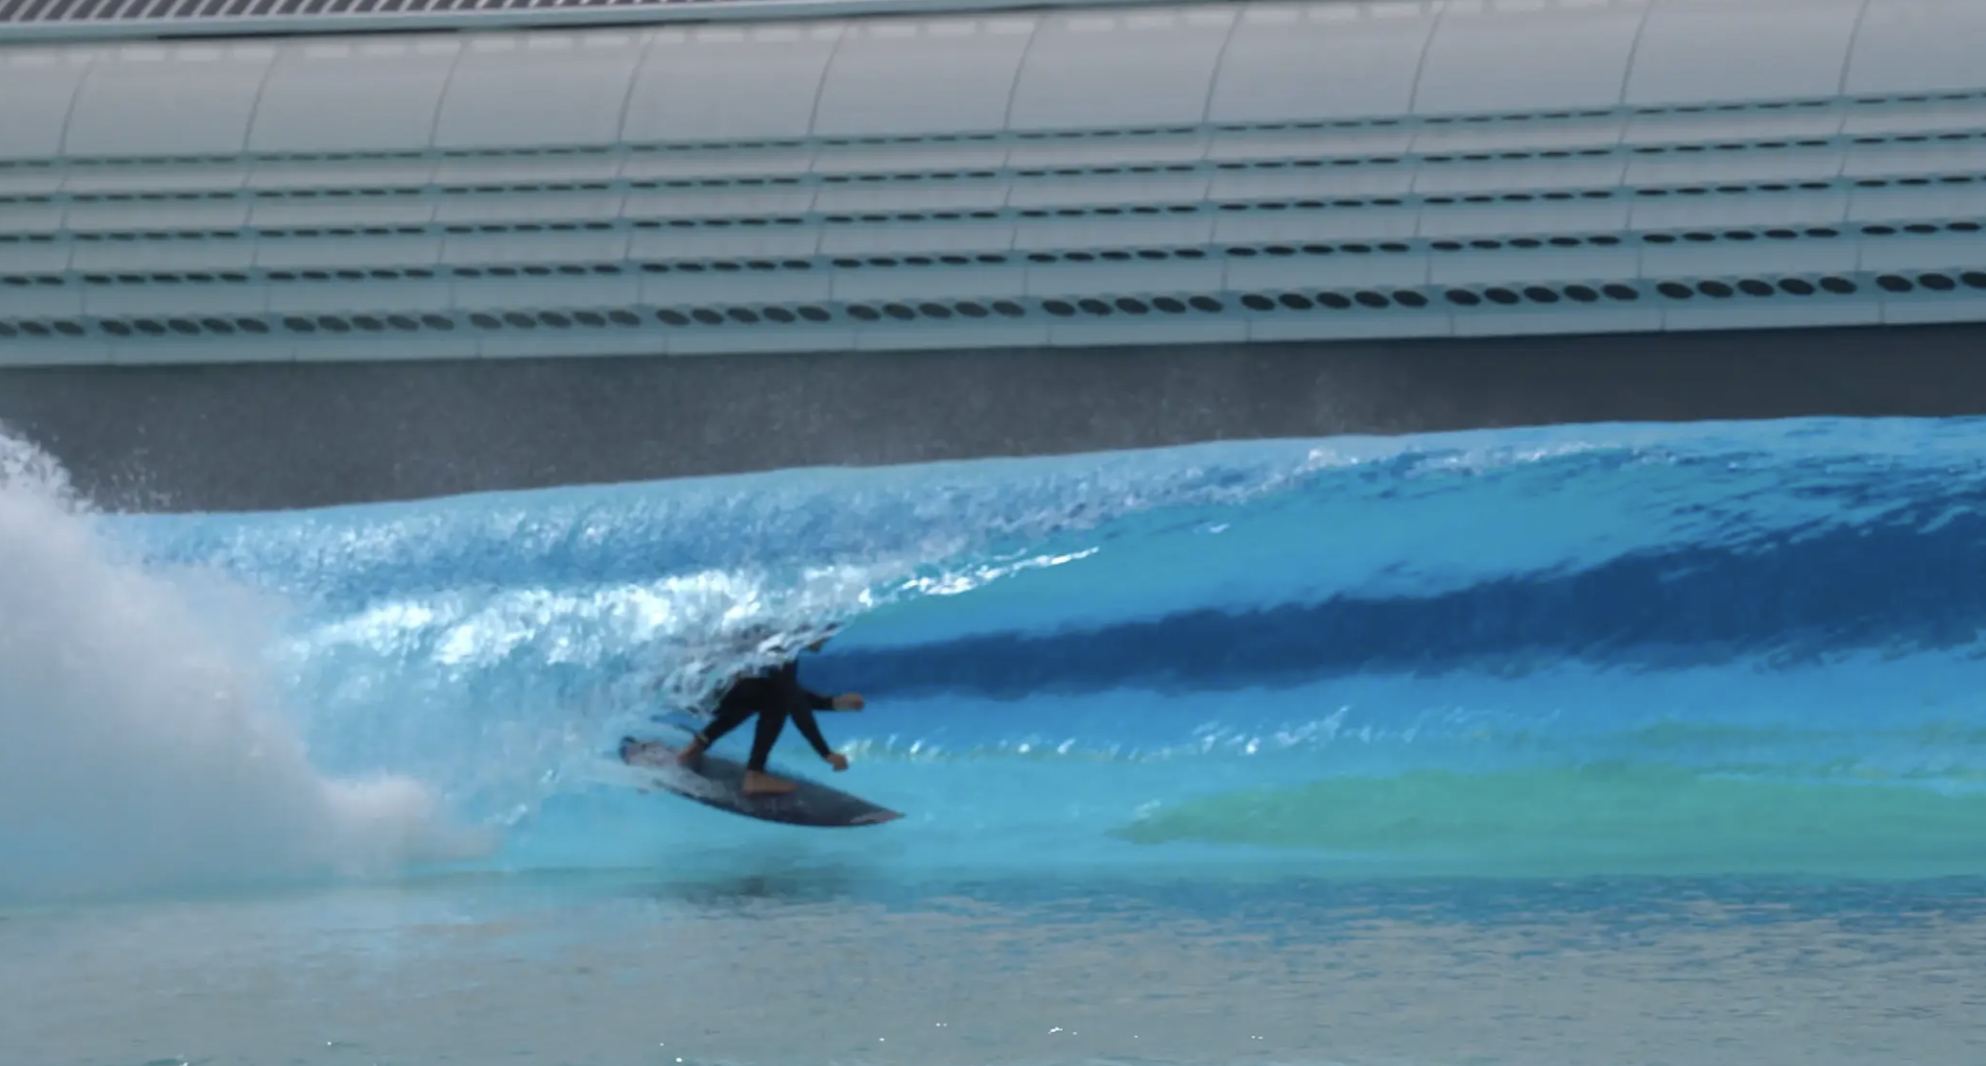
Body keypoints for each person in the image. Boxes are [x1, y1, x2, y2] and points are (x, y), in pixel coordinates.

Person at [675, 632, 864, 796]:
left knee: (760, 691)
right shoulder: (783, 650)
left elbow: (789, 693)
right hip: (705, 694)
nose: (826, 640)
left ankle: (695, 748)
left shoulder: (777, 639)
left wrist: (833, 703)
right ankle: (755, 775)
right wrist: (826, 753)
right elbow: (792, 699)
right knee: (774, 696)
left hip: (693, 693)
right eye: (826, 634)